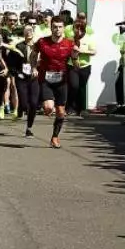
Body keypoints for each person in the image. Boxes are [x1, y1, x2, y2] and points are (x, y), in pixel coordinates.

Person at [33, 16, 75, 149]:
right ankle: (46, 106)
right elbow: (33, 55)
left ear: (63, 28)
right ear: (51, 27)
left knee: (61, 112)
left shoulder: (69, 44)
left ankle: (55, 137)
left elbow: (76, 65)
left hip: (62, 81)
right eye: (55, 27)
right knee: (49, 107)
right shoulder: (42, 42)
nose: (57, 29)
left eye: (60, 27)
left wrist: (74, 57)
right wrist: (33, 67)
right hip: (46, 79)